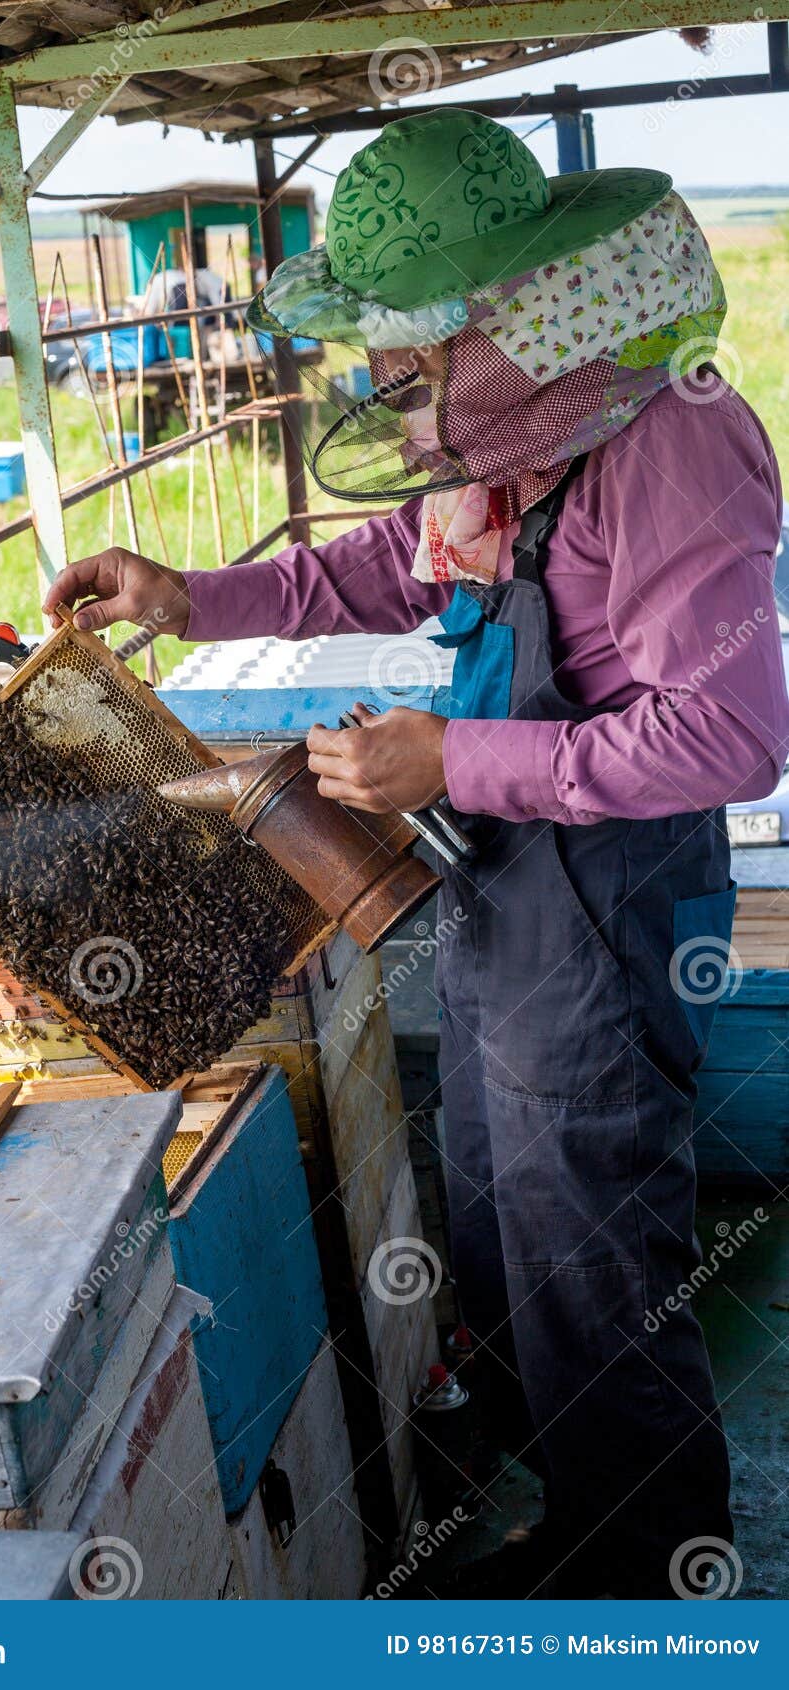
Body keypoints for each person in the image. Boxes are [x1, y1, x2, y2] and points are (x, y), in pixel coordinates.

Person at [45, 111, 789, 1598]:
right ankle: (574, 1514)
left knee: (597, 1274)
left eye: (407, 352)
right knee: (507, 1245)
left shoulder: (671, 440)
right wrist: (190, 593)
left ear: (507, 322)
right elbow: (391, 560)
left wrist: (455, 758)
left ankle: (650, 1580)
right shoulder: (503, 441)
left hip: (610, 912)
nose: (385, 384)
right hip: (505, 908)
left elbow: (732, 736)